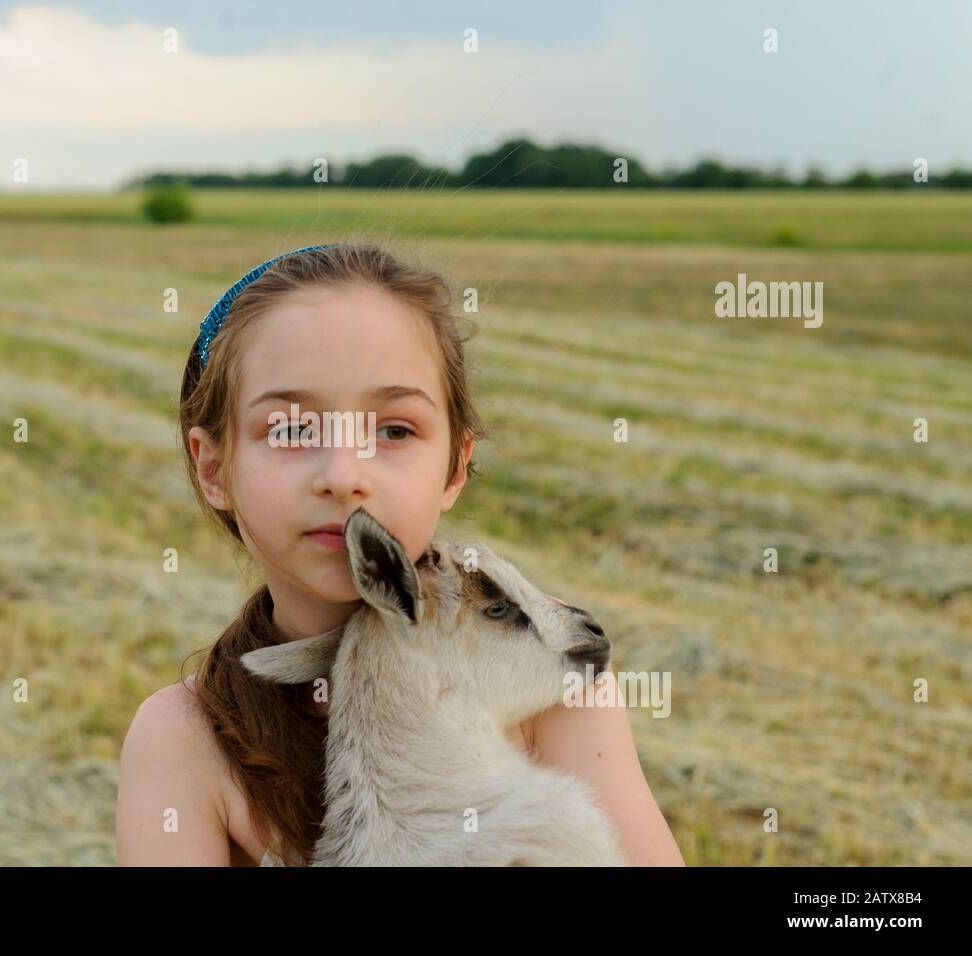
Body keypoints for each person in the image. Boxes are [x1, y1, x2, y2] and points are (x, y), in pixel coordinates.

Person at [115, 241, 684, 866]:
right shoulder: (185, 737)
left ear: (455, 464)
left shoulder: (554, 682)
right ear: (214, 467)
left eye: (393, 430)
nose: (343, 474)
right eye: (291, 430)